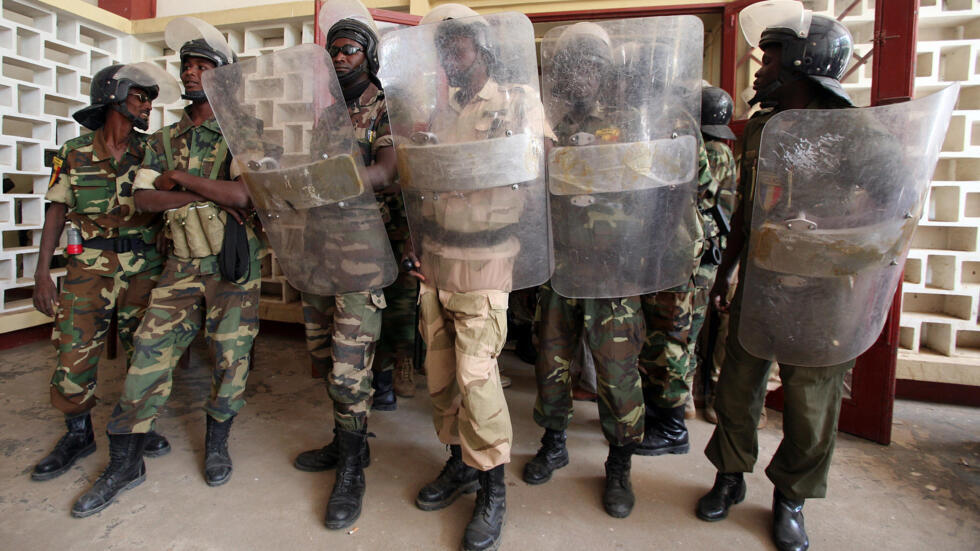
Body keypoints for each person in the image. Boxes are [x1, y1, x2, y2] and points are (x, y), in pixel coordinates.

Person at [71, 17, 264, 518]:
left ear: (222, 76)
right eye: (187, 66)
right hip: (180, 266)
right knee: (148, 356)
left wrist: (179, 179)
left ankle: (217, 443)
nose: (192, 72)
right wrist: (200, 192)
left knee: (230, 360)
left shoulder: (241, 132)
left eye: (203, 66)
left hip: (232, 267)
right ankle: (125, 461)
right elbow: (143, 198)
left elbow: (244, 194)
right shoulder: (161, 139)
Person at [388, 5, 550, 550]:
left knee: (478, 382)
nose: (449, 60)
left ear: (481, 50)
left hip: (487, 261)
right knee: (442, 377)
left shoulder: (518, 103)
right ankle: (459, 464)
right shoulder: (440, 112)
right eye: (443, 50)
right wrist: (415, 246)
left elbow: (540, 175)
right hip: (437, 260)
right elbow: (423, 189)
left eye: (457, 48)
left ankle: (492, 488)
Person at [697, 4, 859, 550]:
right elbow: (747, 208)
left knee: (811, 404)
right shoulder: (764, 127)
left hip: (822, 293)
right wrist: (726, 273)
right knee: (738, 389)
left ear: (801, 64)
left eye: (769, 59)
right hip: (762, 284)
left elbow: (895, 208)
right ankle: (730, 476)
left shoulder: (856, 133)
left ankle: (791, 497)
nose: (759, 70)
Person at [31, 63, 178, 482]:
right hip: (87, 267)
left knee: (145, 353)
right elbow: (56, 211)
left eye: (150, 98)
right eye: (140, 96)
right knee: (73, 350)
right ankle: (78, 434)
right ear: (114, 97)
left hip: (143, 266)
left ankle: (137, 427)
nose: (148, 104)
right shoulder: (74, 152)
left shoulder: (151, 151)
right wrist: (43, 274)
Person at [525, 22, 645, 519]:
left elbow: (647, 187)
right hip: (560, 262)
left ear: (603, 71)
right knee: (551, 360)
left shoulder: (629, 120)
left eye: (589, 67)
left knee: (617, 371)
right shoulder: (545, 123)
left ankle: (619, 461)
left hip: (612, 270)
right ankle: (555, 441)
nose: (579, 77)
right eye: (570, 67)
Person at [289, 0, 401, 530]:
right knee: (320, 352)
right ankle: (344, 442)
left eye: (350, 48)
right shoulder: (326, 114)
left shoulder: (385, 108)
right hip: (319, 251)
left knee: (348, 366)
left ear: (369, 55)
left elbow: (384, 173)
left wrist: (325, 181)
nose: (340, 57)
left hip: (363, 254)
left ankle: (353, 470)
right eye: (333, 49)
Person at [685, 85, 737, 421]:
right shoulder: (722, 150)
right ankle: (699, 394)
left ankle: (687, 395)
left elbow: (699, 199)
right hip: (708, 250)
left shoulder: (710, 152)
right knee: (697, 325)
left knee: (690, 325)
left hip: (700, 252)